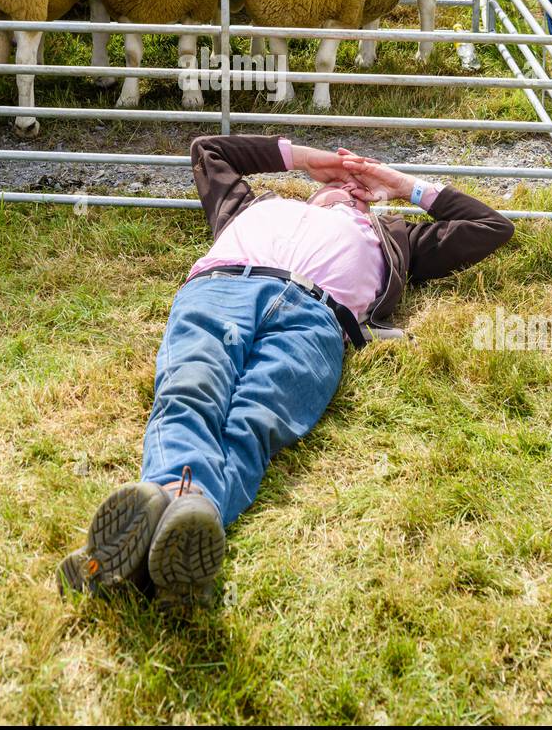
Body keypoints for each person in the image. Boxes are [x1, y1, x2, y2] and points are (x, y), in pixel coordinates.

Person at [58, 133, 514, 608]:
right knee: (191, 390)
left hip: (315, 320)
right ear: (314, 187)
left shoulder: (396, 238)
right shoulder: (250, 206)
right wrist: (307, 160)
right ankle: (182, 527)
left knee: (252, 422)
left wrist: (401, 185)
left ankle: (149, 529)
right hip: (222, 290)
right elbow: (208, 150)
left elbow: (489, 226)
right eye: (343, 179)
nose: (353, 184)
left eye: (364, 186)